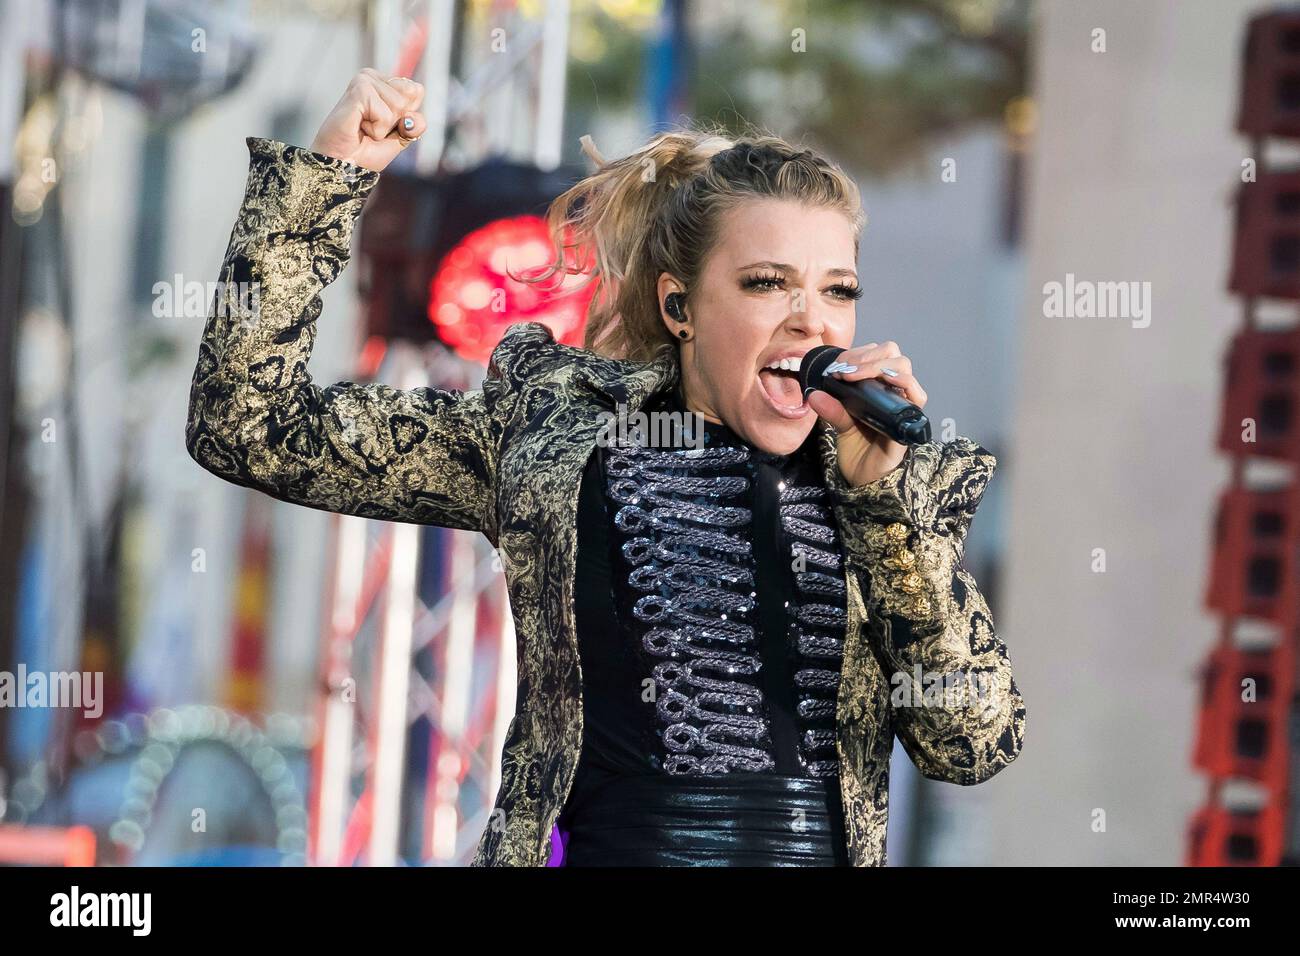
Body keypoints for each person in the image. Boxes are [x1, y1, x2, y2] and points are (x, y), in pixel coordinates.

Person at [185, 69, 1026, 867]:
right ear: (679, 306)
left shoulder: (884, 484)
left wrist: (887, 513)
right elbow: (247, 423)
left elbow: (973, 742)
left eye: (838, 291)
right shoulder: (563, 440)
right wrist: (321, 187)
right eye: (769, 284)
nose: (811, 322)